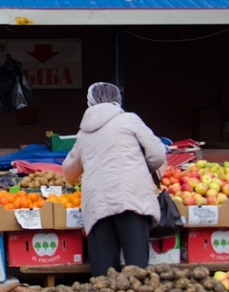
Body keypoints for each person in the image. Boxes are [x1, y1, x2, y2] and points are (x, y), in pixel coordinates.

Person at [62, 82, 167, 276]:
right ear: (117, 99)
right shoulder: (130, 120)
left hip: (98, 204)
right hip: (131, 198)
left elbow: (69, 173)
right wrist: (142, 169)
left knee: (104, 274)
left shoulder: (84, 133)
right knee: (137, 272)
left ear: (90, 101)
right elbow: (158, 155)